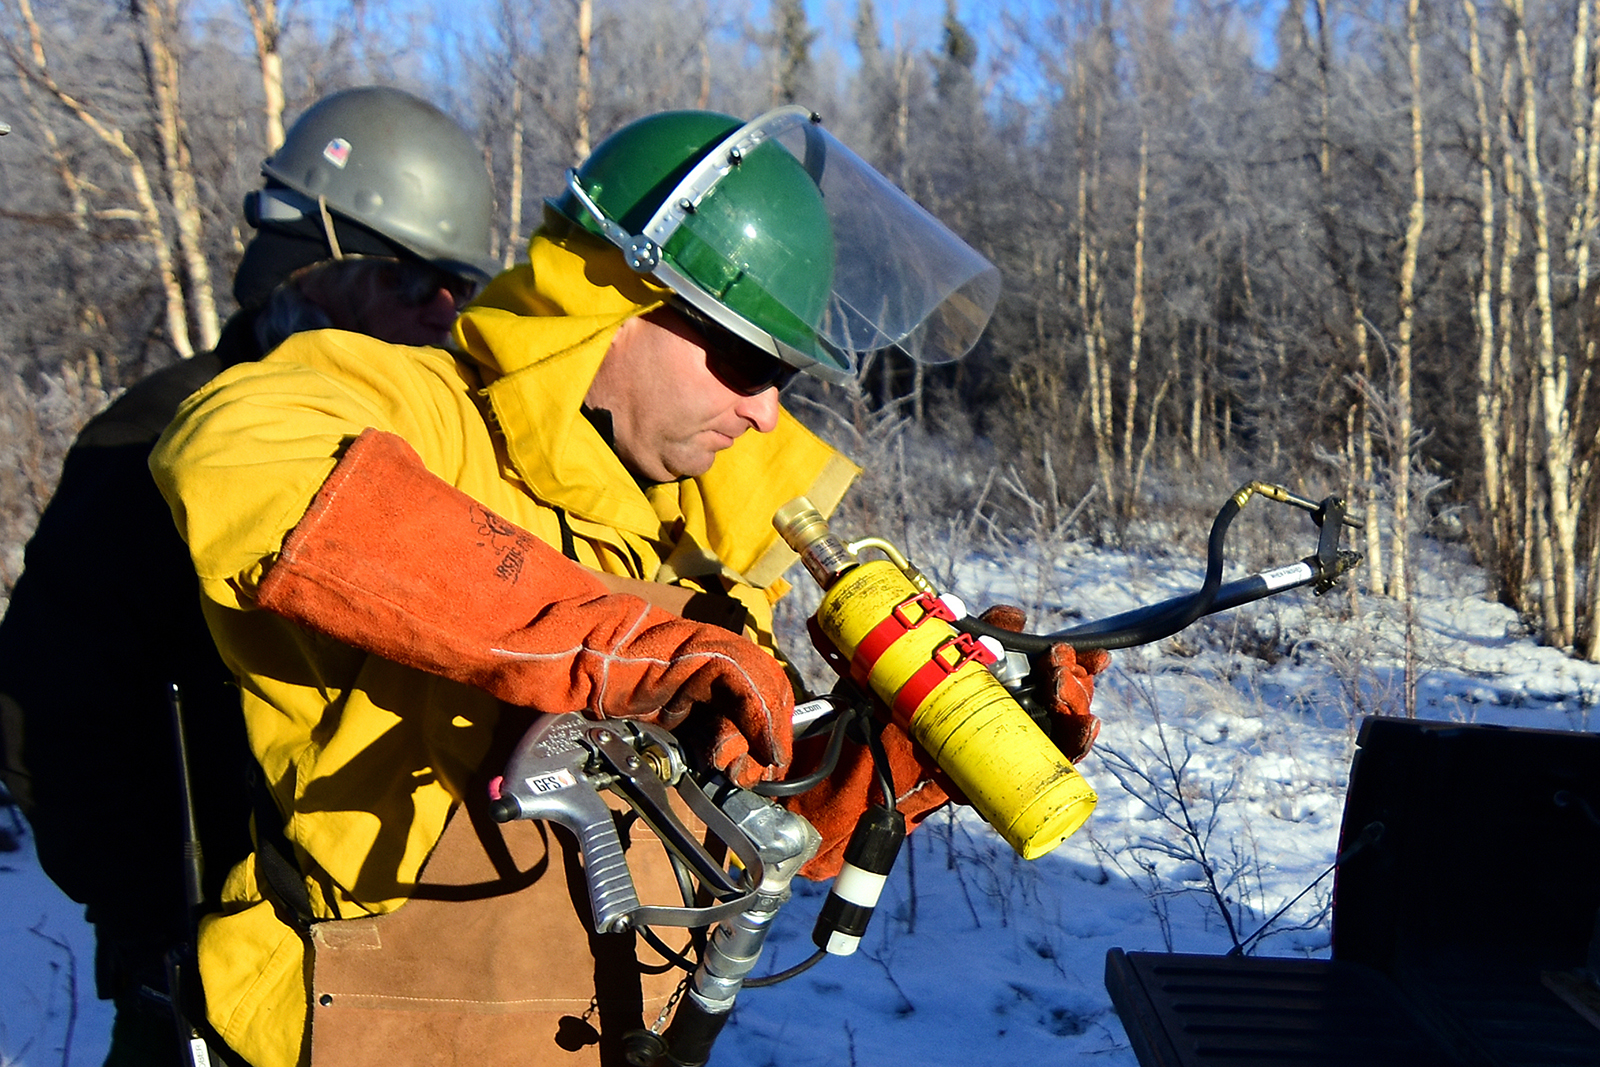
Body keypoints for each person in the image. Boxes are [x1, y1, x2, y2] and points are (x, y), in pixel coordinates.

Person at [150, 105, 1106, 1067]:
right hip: (351, 1034)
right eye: (746, 358)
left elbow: (745, 810)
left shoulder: (698, 527)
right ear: (612, 301)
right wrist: (602, 640)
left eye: (786, 375)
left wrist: (889, 754)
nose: (765, 414)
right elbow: (233, 453)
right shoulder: (426, 413)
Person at [0, 84, 497, 1066]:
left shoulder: (456, 448)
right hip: (212, 985)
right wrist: (158, 922)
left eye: (458, 288)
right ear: (308, 269)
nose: (443, 314)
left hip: (418, 972)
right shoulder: (152, 442)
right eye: (411, 280)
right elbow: (49, 713)